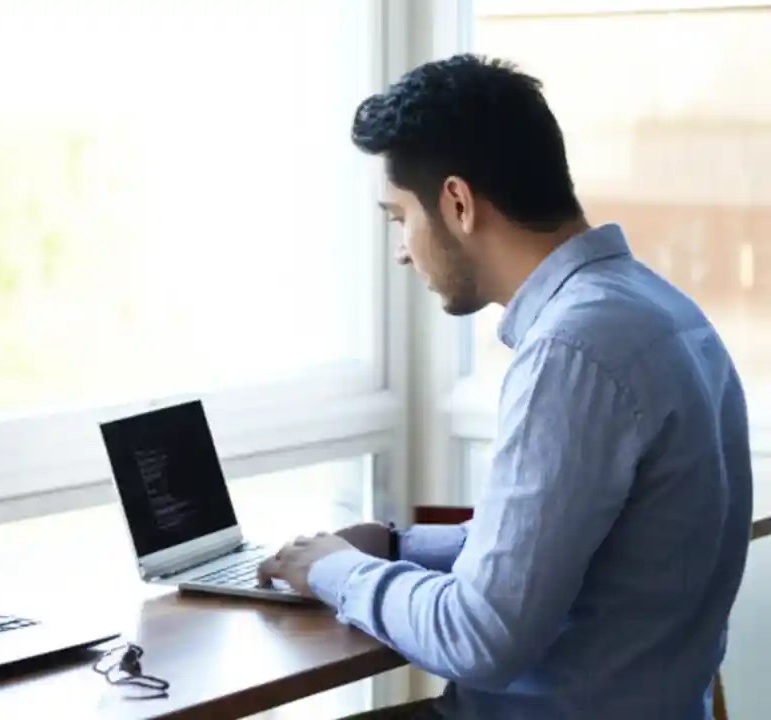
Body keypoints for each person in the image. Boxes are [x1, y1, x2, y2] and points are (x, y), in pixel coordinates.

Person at [257, 54, 752, 719]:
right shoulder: (663, 311)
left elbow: (478, 637)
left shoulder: (573, 350)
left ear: (457, 203)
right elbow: (560, 541)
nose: (402, 249)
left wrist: (331, 571)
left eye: (400, 217)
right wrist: (396, 545)